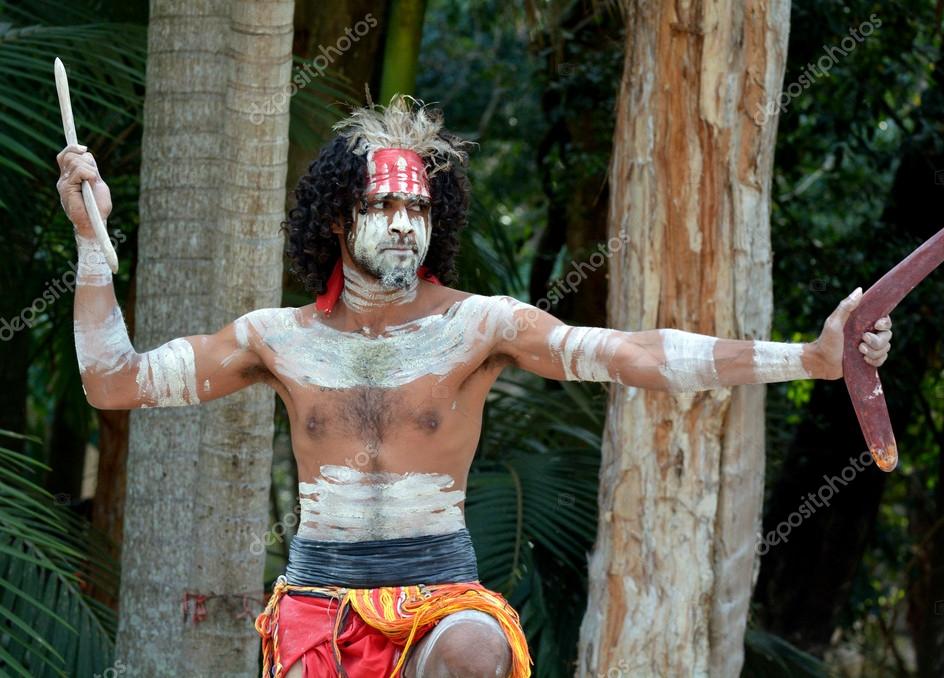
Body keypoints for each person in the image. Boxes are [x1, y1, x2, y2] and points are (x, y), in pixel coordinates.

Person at [55, 94, 893, 678]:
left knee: (473, 653)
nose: (403, 225)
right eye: (383, 205)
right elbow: (112, 384)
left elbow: (632, 352)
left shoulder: (480, 326)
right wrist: (94, 251)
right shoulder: (276, 339)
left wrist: (808, 359)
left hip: (441, 597)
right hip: (319, 609)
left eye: (418, 210)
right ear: (339, 218)